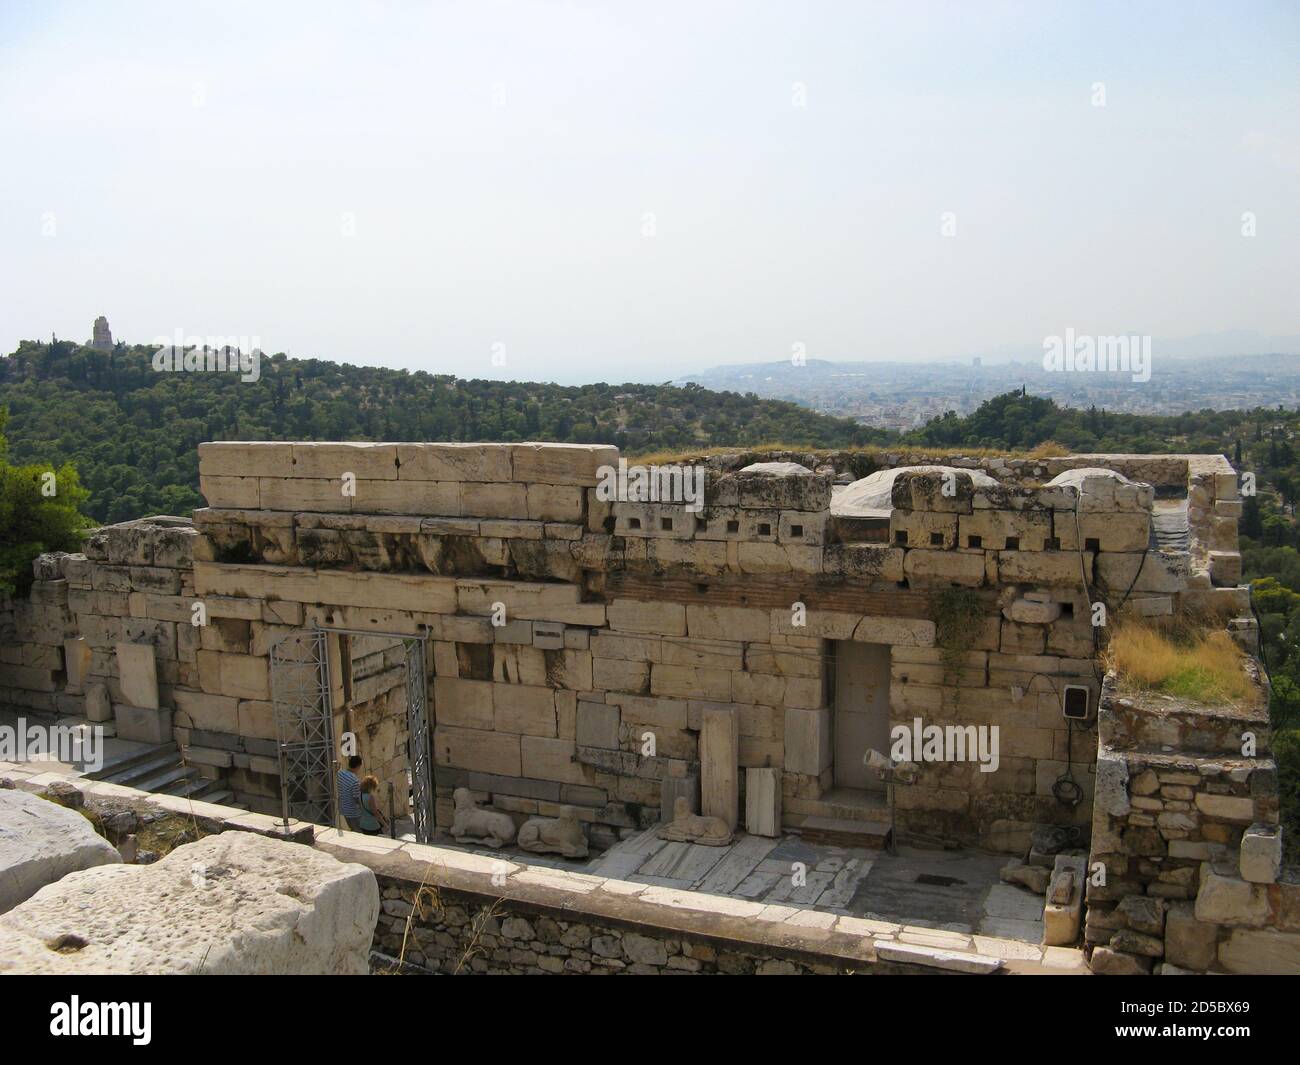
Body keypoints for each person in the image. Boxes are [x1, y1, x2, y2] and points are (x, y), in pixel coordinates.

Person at [337, 755, 364, 831]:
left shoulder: (340, 773)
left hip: (344, 809)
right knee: (358, 831)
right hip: (353, 812)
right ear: (358, 766)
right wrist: (363, 809)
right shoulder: (354, 781)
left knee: (352, 828)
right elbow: (356, 798)